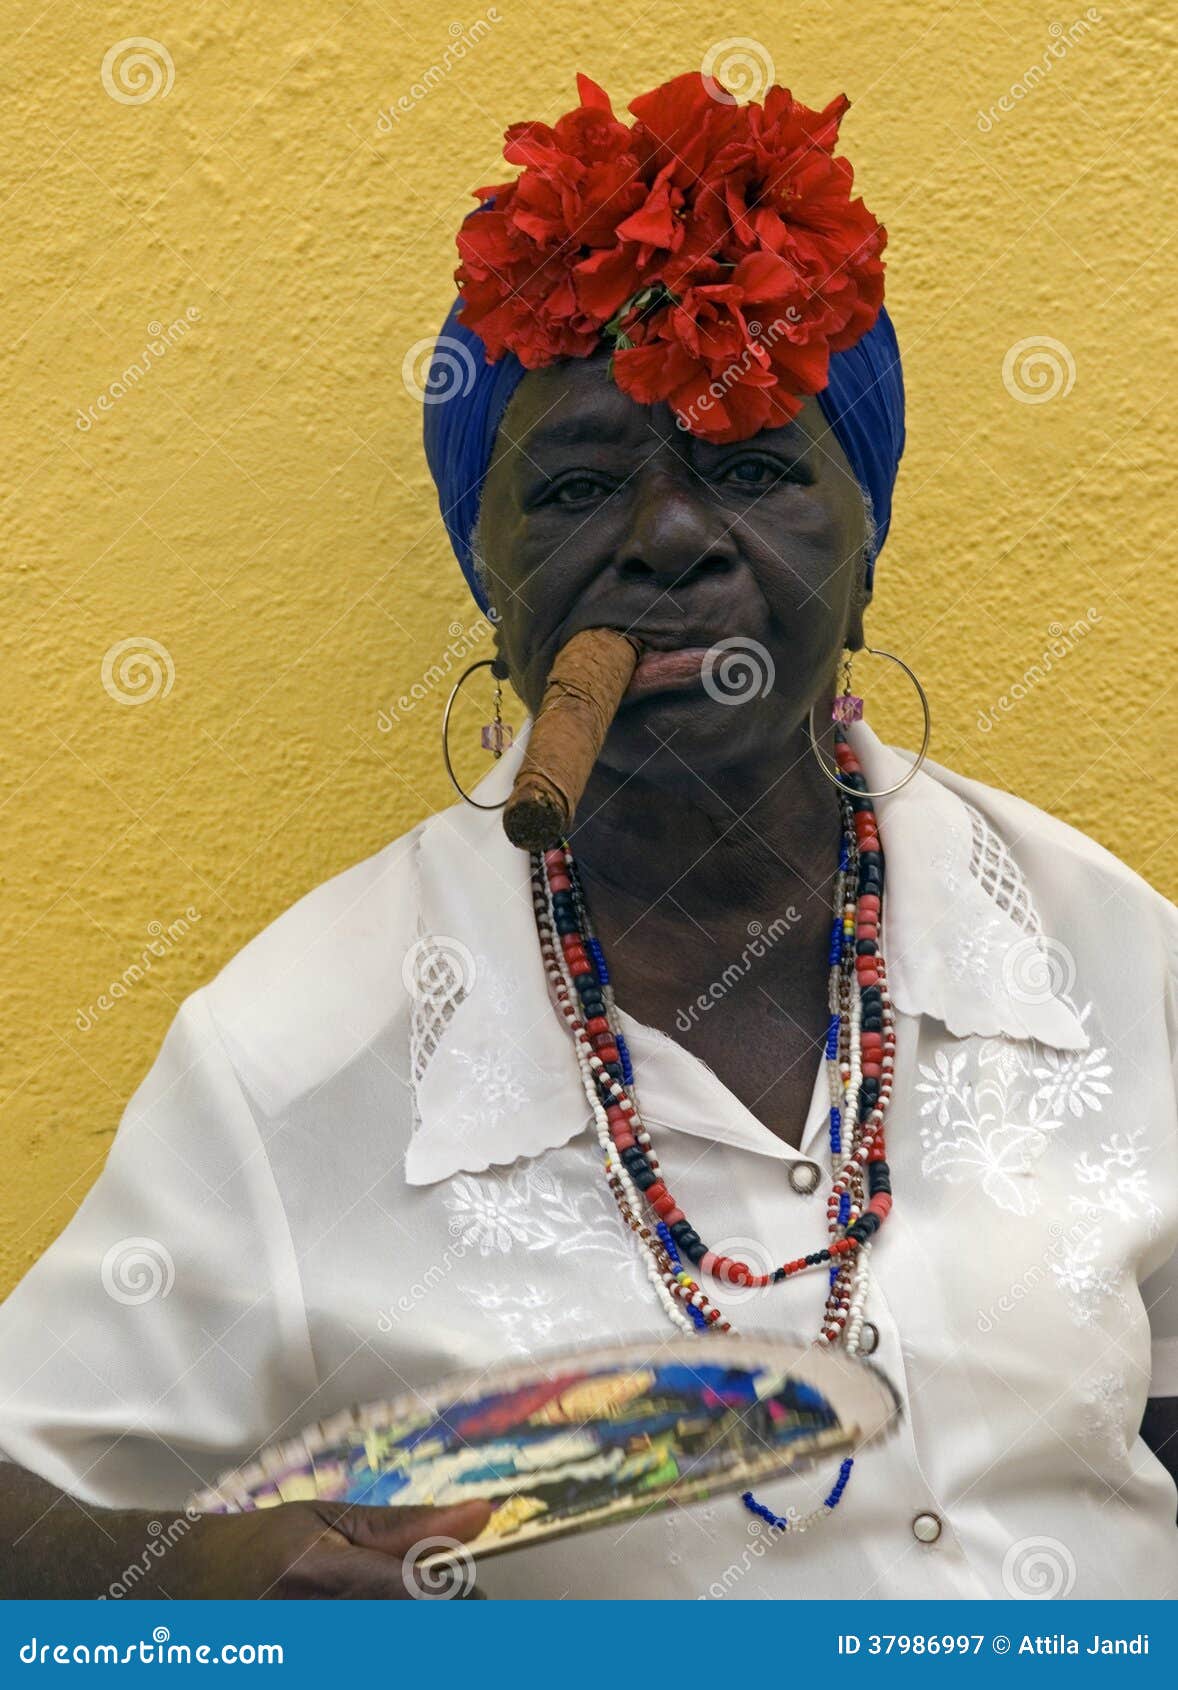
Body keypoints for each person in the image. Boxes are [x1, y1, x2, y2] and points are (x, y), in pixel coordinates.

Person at [0, 69, 1175, 1602]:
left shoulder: (1106, 952)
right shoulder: (296, 1050)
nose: (667, 537)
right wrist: (255, 1565)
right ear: (489, 580)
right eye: (574, 487)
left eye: (750, 468)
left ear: (863, 543)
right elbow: (36, 1510)